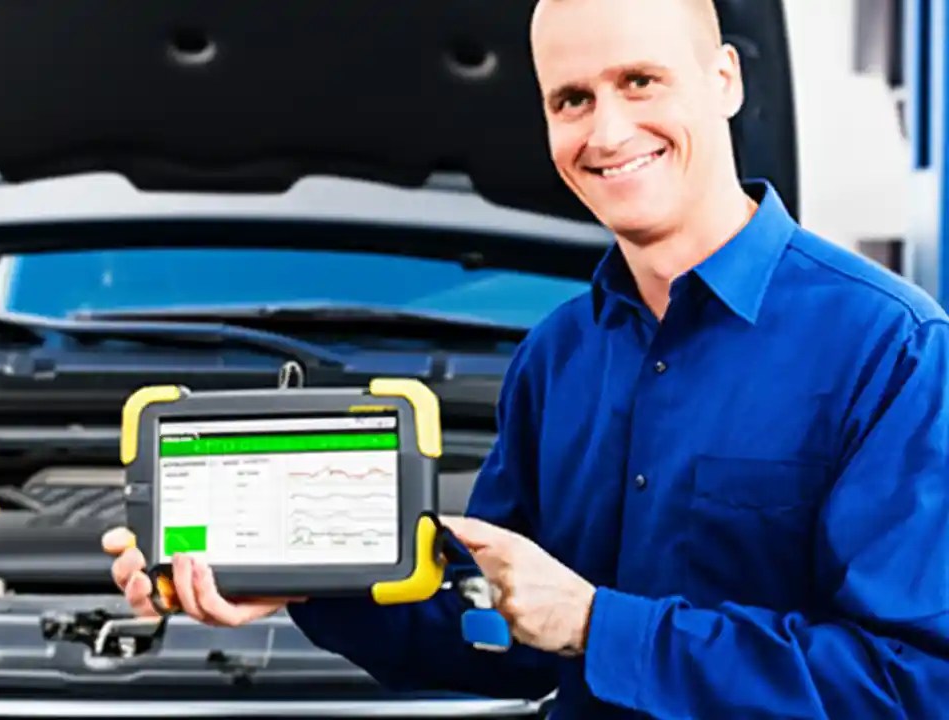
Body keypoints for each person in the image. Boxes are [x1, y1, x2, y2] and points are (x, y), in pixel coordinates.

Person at [102, 0, 949, 716]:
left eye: (640, 81)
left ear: (724, 78)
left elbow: (919, 683)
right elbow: (500, 634)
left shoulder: (891, 350)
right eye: (571, 99)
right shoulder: (557, 356)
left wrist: (596, 624)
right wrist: (299, 582)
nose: (608, 130)